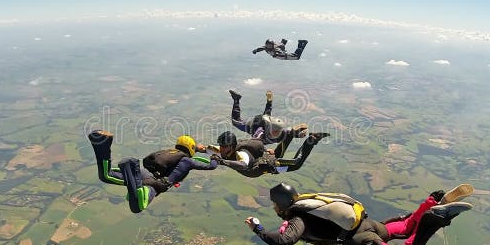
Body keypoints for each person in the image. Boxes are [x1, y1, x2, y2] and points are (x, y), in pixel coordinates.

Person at [244, 182, 473, 245]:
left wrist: (259, 229)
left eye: (275, 204)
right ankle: (433, 202)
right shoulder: (309, 202)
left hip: (360, 242)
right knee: (405, 227)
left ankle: (434, 220)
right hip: (369, 225)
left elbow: (284, 240)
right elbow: (403, 227)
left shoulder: (298, 219)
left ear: (281, 206)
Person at [87, 131, 218, 213]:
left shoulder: (171, 154)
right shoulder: (188, 161)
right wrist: (215, 158)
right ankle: (131, 166)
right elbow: (210, 166)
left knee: (106, 176)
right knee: (137, 207)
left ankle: (102, 144)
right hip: (155, 185)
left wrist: (201, 149)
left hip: (145, 173)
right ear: (191, 149)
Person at [207, 130, 328, 178]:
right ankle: (290, 134)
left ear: (232, 146)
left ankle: (311, 140)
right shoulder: (224, 150)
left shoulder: (241, 154)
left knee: (296, 164)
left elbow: (243, 165)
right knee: (277, 154)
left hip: (269, 166)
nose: (222, 149)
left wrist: (222, 162)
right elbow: (206, 148)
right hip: (266, 158)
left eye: (225, 147)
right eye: (221, 146)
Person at [228, 89, 308, 147]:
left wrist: (299, 134)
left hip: (266, 121)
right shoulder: (260, 132)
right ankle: (236, 99)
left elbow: (291, 132)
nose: (276, 133)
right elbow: (254, 142)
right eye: (274, 131)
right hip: (253, 125)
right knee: (235, 121)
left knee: (267, 114)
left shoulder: (282, 131)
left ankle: (269, 101)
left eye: (277, 131)